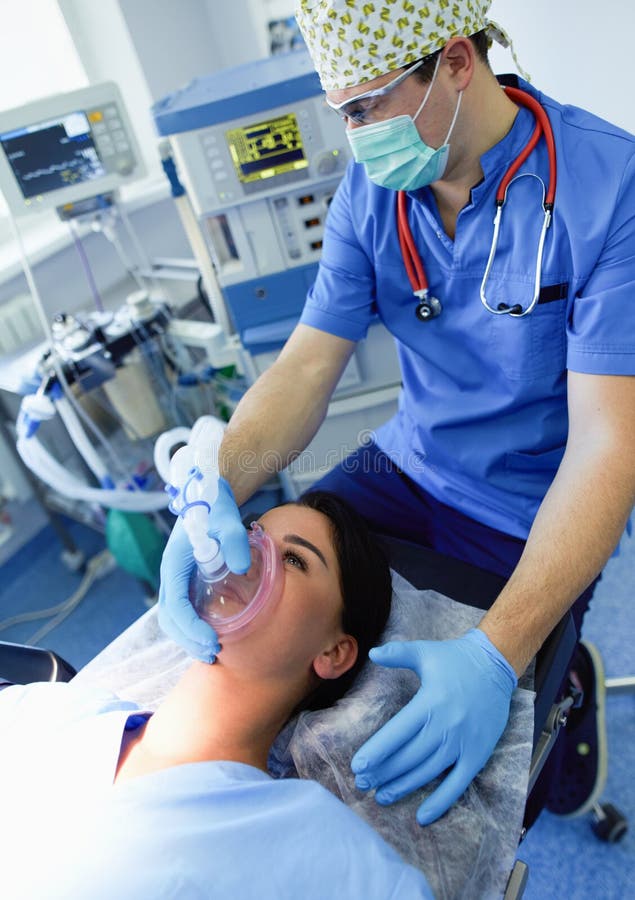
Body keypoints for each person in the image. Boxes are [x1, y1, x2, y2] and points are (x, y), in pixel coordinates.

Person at [160, 0, 635, 829]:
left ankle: (564, 683)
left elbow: (608, 444)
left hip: (532, 503)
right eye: (342, 111)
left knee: (458, 797)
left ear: (454, 60)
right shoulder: (374, 187)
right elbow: (309, 363)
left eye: (365, 106)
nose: (354, 135)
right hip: (400, 467)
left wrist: (496, 655)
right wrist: (219, 484)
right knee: (274, 635)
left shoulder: (608, 190)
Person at [0, 493, 433, 899]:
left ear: (334, 653)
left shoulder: (306, 839)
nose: (248, 559)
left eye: (294, 559)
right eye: (250, 535)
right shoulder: (62, 710)